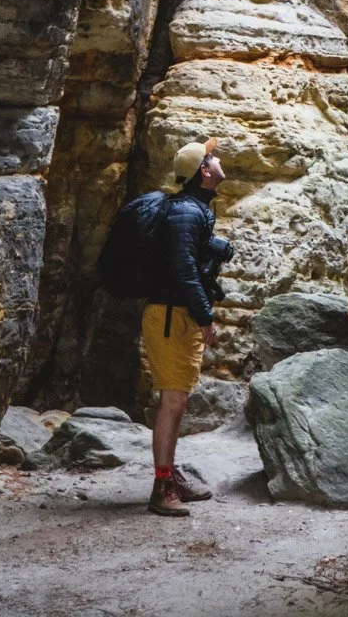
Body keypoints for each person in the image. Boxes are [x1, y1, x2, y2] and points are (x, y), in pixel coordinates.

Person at [142, 136, 226, 516]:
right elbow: (183, 269)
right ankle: (162, 487)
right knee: (172, 402)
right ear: (204, 172)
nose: (218, 157)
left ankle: (169, 476)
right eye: (211, 156)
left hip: (178, 314)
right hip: (171, 316)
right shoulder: (187, 212)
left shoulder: (193, 210)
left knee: (177, 402)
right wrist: (205, 316)